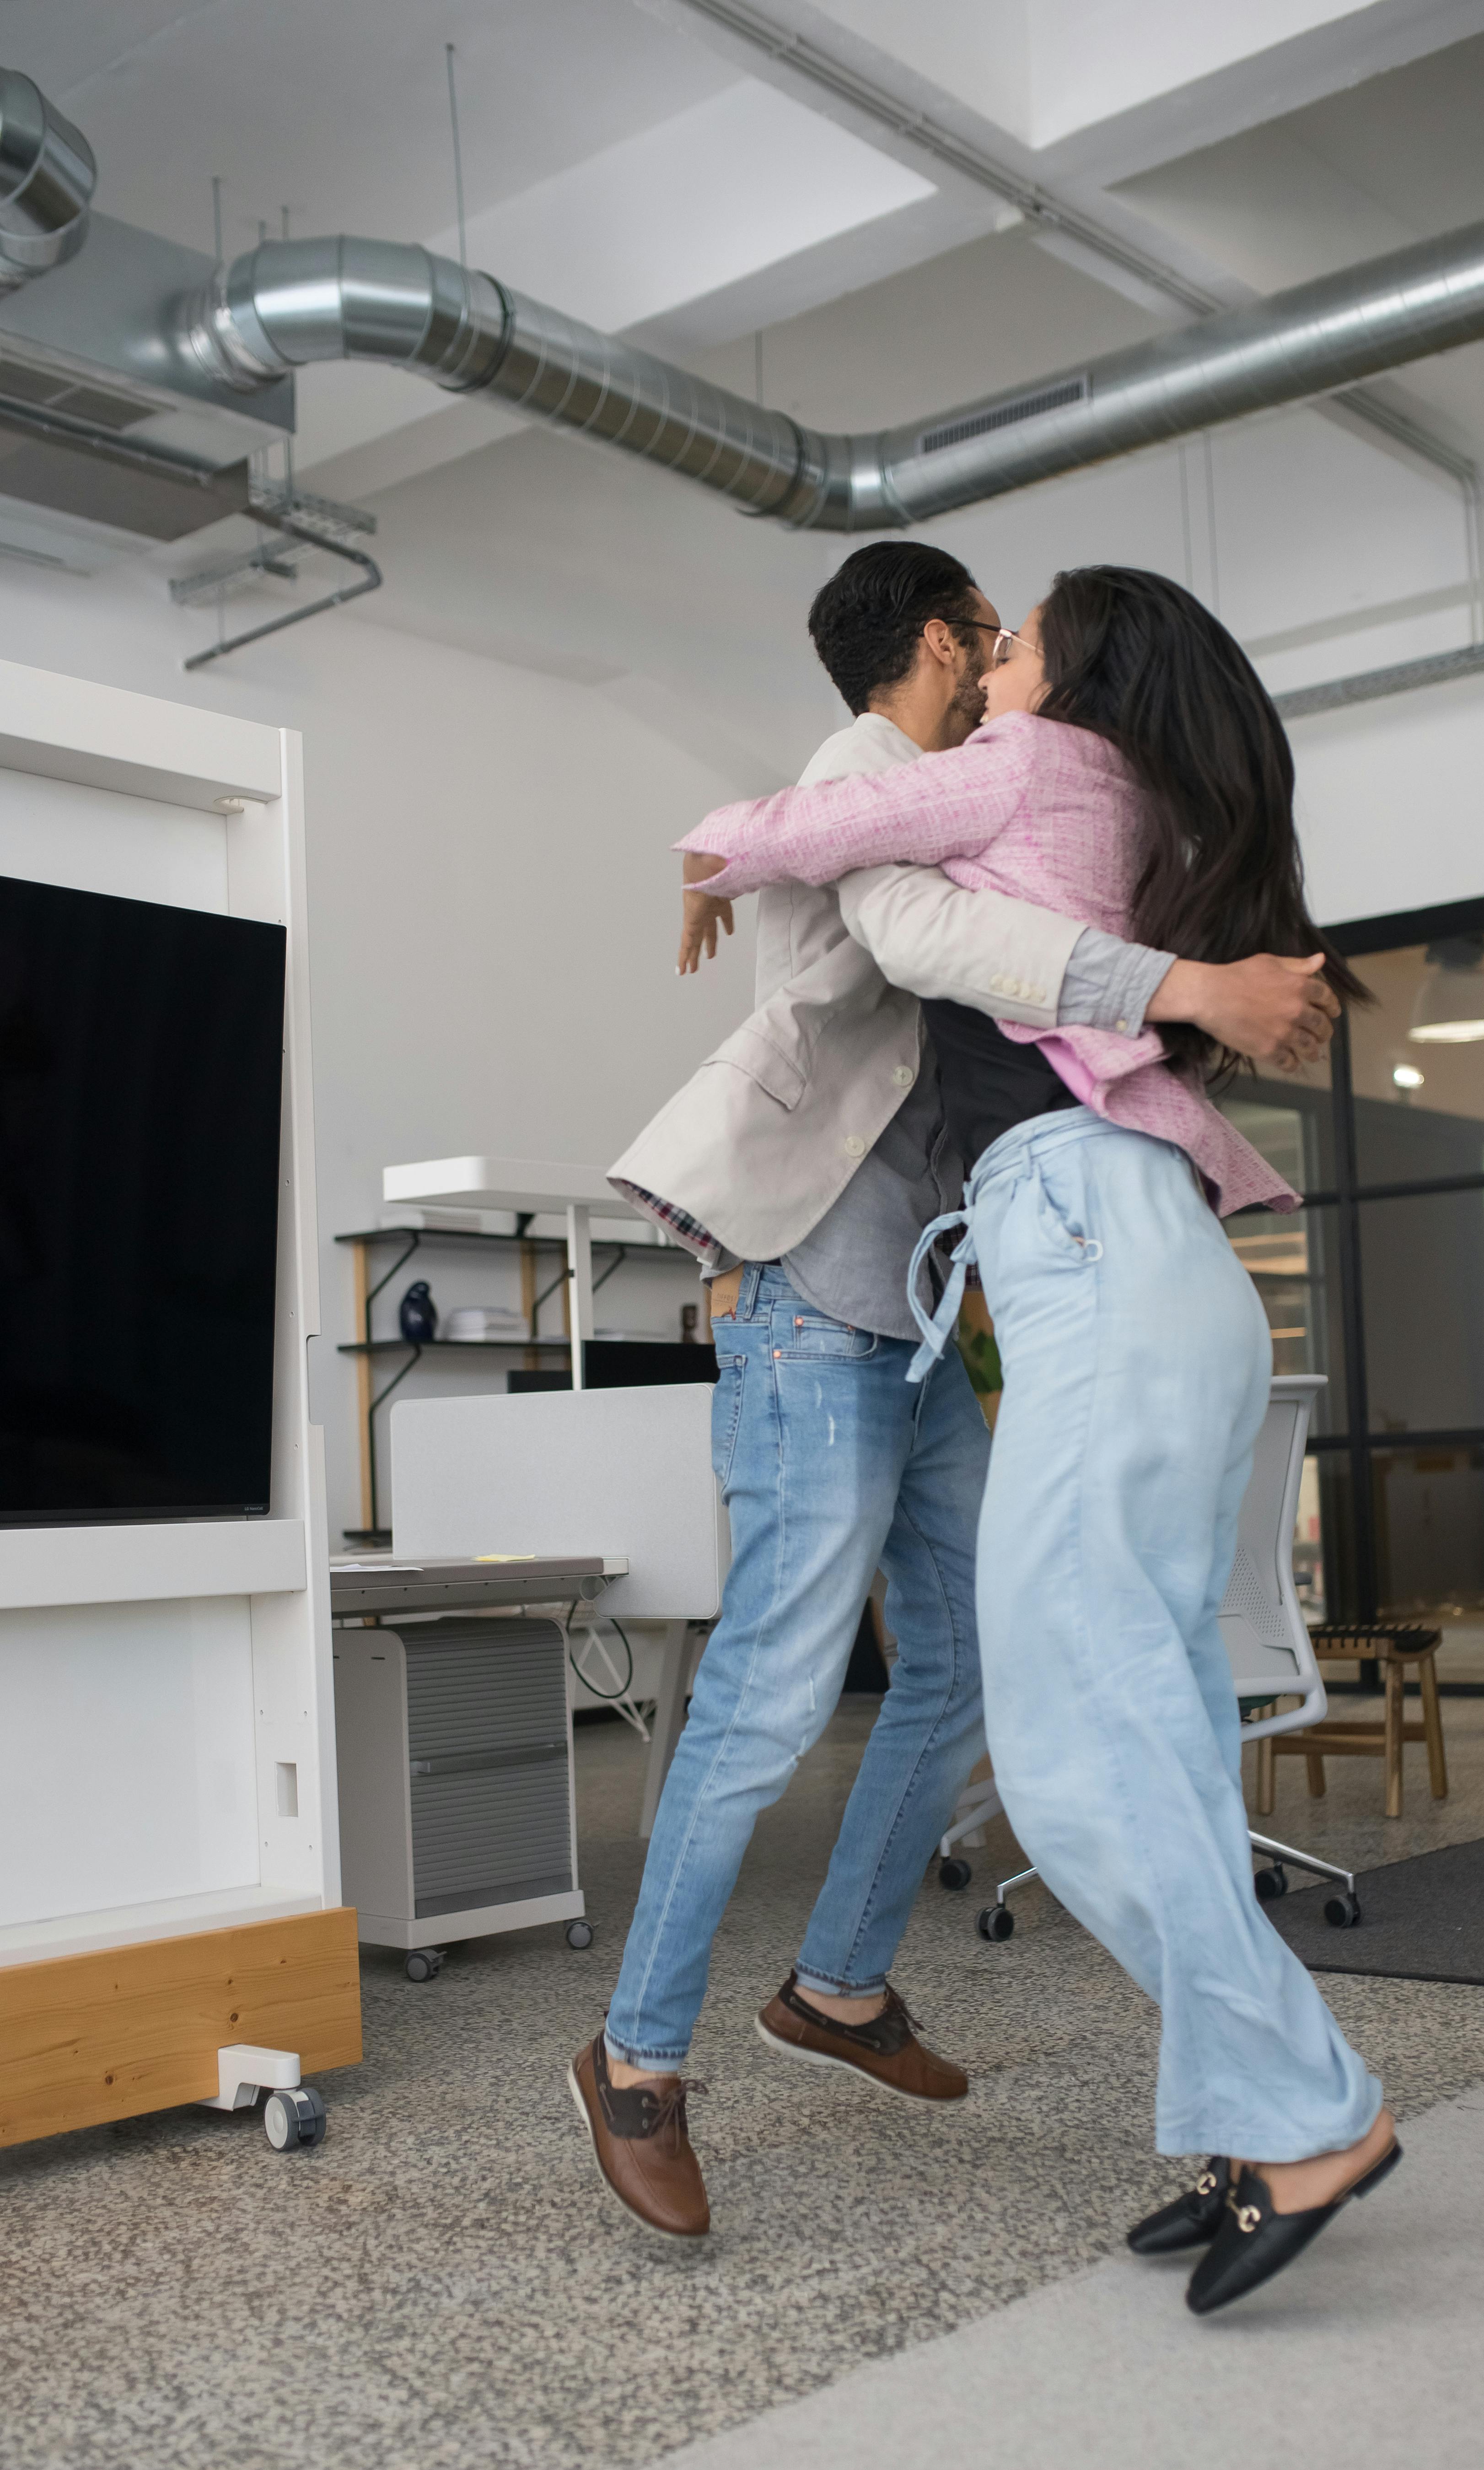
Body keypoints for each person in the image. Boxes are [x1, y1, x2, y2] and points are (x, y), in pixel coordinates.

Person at [570, 542, 1341, 2243]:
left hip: (926, 1303)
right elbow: (928, 936)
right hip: (815, 1298)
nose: (1006, 661)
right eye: (991, 635)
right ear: (944, 640)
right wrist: (1182, 986)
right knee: (773, 1687)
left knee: (977, 1652)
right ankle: (636, 2058)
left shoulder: (992, 784)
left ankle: (841, 1985)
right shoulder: (879, 777)